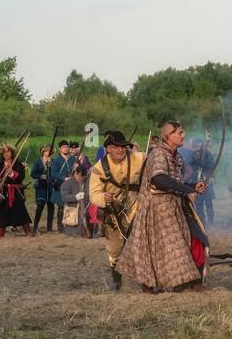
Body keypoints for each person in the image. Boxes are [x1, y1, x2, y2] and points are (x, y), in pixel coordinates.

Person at [115, 121, 209, 293]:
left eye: (183, 132)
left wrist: (193, 185)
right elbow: (159, 179)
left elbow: (176, 181)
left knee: (188, 241)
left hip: (173, 207)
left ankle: (186, 281)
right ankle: (159, 283)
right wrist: (186, 189)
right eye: (180, 132)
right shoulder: (158, 154)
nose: (183, 135)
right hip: (157, 208)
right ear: (169, 136)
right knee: (160, 248)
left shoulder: (176, 155)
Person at [88, 130, 146, 291]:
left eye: (122, 146)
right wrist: (102, 198)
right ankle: (116, 279)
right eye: (115, 147)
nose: (120, 150)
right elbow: (94, 193)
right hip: (113, 211)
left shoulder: (140, 157)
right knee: (115, 249)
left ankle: (146, 281)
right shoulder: (98, 168)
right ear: (108, 149)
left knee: (139, 243)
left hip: (137, 205)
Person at [0, 143, 34, 238]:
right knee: (0, 211)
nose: (6, 154)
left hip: (15, 191)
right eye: (4, 152)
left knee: (21, 210)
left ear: (12, 153)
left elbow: (21, 177)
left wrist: (11, 173)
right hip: (2, 191)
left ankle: (28, 231)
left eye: (8, 152)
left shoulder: (18, 164)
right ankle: (0, 232)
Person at [185, 136, 216, 226]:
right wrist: (198, 163)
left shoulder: (207, 154)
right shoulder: (191, 155)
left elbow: (211, 165)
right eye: (194, 145)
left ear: (201, 145)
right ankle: (203, 223)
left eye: (197, 145)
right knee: (199, 204)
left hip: (206, 181)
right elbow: (189, 164)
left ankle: (211, 222)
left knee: (208, 202)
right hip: (195, 181)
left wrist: (203, 164)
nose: (196, 147)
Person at [30, 144, 59, 233]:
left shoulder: (53, 161)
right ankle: (35, 227)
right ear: (43, 152)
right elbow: (33, 174)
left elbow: (55, 173)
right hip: (41, 187)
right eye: (46, 151)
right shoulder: (38, 162)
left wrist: (50, 165)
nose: (47, 153)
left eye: (49, 151)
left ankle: (49, 228)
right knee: (40, 206)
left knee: (51, 207)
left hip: (50, 187)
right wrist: (41, 176)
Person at [60, 165, 89, 239]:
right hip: (73, 211)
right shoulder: (67, 183)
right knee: (73, 233)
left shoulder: (87, 182)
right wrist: (76, 197)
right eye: (79, 176)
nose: (81, 179)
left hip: (86, 210)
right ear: (75, 173)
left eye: (83, 177)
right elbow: (64, 197)